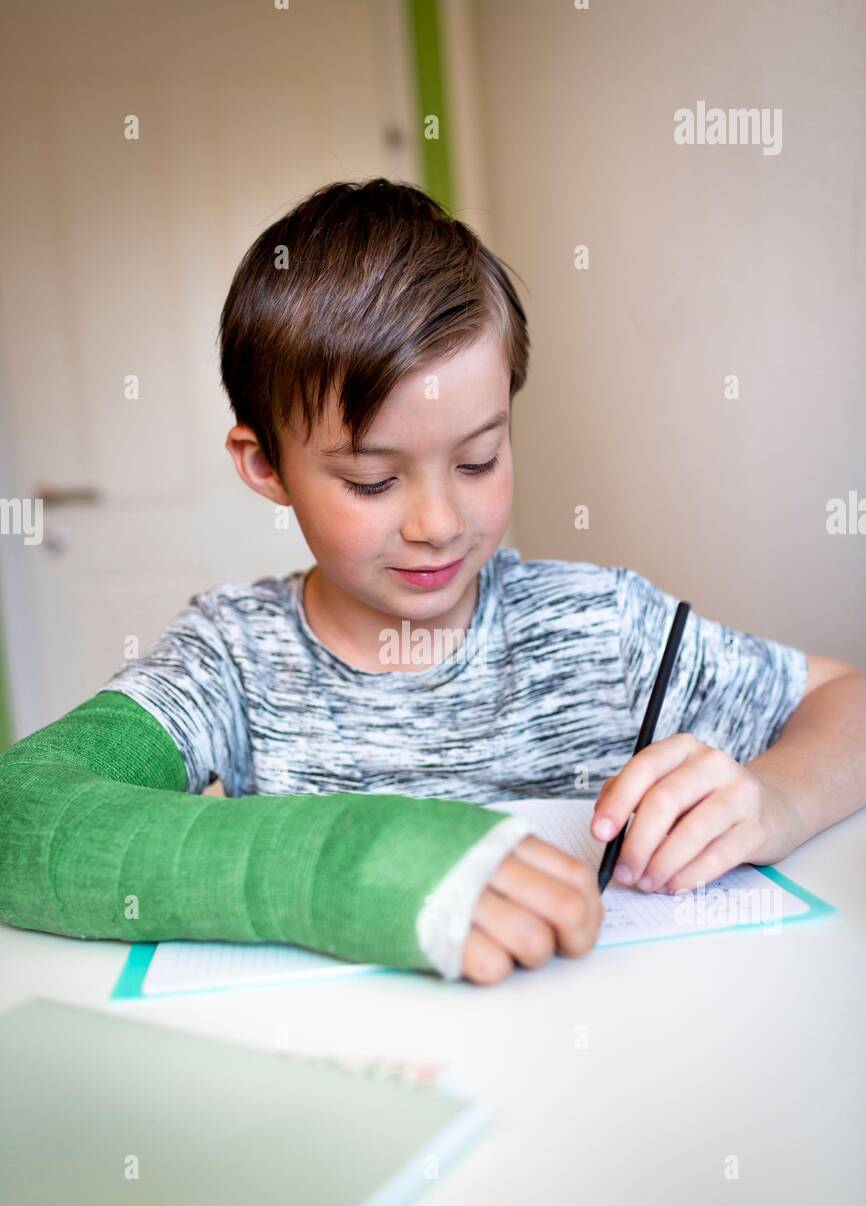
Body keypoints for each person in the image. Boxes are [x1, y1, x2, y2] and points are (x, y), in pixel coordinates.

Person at [2, 179, 864, 985]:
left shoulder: (602, 627)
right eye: (373, 481)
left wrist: (779, 797)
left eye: (479, 458)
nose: (440, 523)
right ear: (265, 463)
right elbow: (23, 817)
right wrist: (363, 862)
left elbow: (849, 699)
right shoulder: (232, 655)